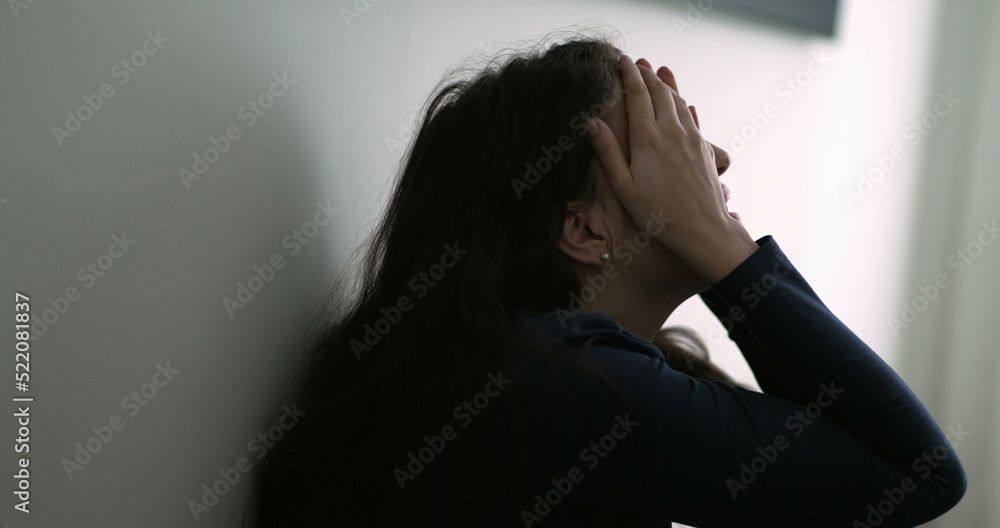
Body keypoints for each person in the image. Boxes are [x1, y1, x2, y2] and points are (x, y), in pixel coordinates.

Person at [246, 35, 967, 526]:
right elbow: (918, 473)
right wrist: (722, 247)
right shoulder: (559, 383)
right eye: (667, 149)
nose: (714, 160)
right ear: (585, 230)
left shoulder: (541, 368)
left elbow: (838, 464)